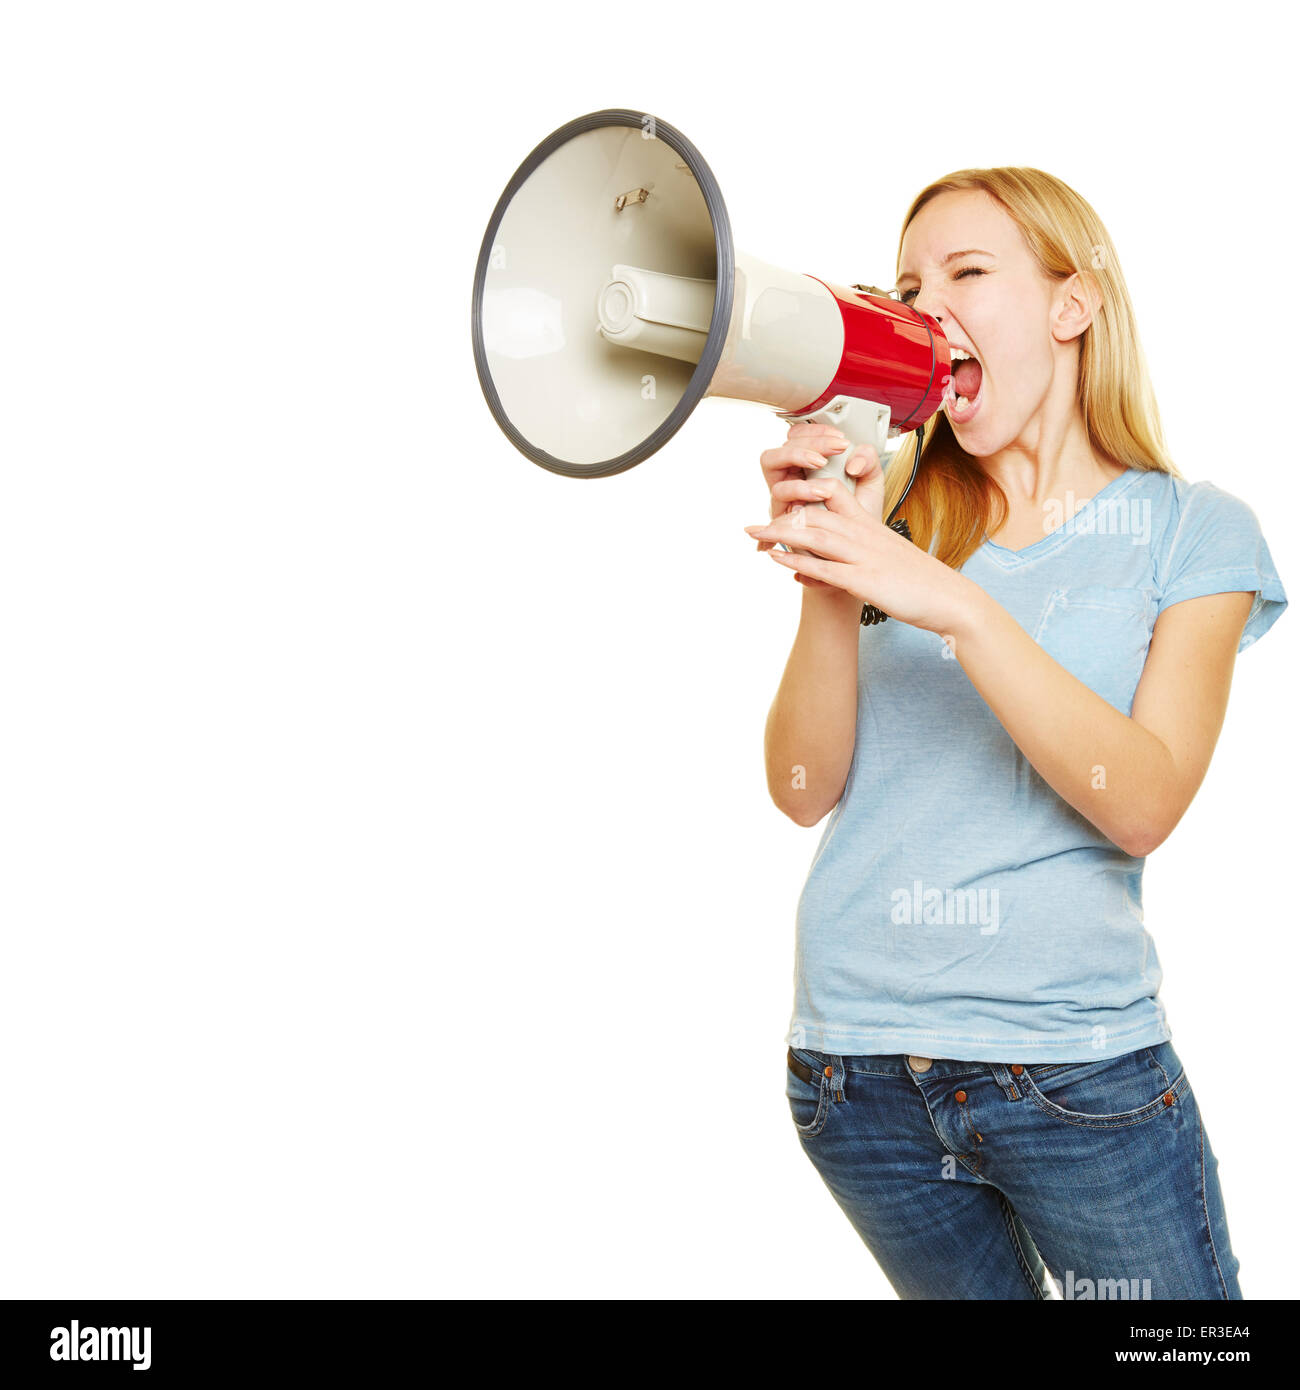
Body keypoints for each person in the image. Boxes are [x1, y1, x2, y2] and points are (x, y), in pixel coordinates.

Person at [743, 168, 1287, 1300]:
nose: (921, 302)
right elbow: (801, 786)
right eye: (906, 281)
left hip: (1074, 1078)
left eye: (965, 271)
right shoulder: (893, 514)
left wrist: (953, 602)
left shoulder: (1189, 533)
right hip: (857, 1072)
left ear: (1071, 305)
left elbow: (1141, 799)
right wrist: (829, 572)